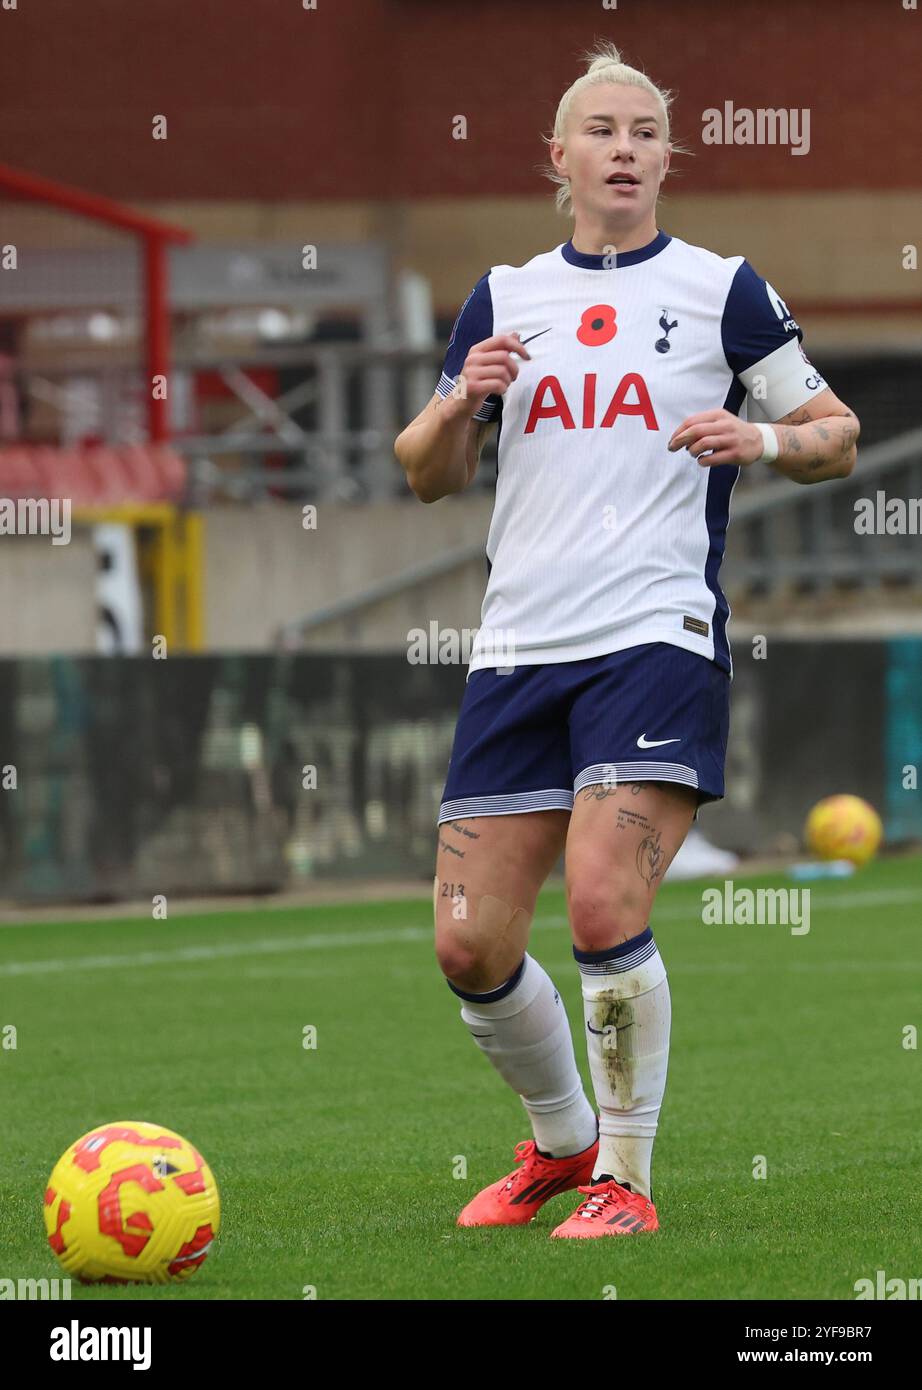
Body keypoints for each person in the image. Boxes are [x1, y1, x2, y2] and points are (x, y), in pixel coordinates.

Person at [393, 41, 859, 1239]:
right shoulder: (505, 296)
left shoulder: (722, 289)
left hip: (654, 631)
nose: (624, 149)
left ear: (666, 158)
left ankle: (629, 1184)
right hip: (515, 649)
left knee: (601, 904)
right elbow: (428, 476)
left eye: (645, 132)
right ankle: (562, 1145)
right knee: (466, 941)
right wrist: (457, 399)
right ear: (558, 157)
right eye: (600, 131)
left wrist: (757, 443)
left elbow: (836, 430)